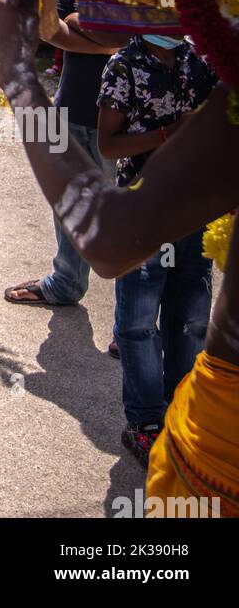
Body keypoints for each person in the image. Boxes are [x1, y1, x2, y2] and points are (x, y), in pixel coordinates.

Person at [0, 0, 239, 516]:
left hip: (218, 456)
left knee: (172, 313)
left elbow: (110, 240)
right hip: (216, 437)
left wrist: (19, 79)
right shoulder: (207, 79)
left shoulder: (210, 77)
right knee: (149, 321)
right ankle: (147, 415)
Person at [97, 31, 216, 467]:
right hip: (143, 213)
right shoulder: (124, 65)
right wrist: (168, 134)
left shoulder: (201, 59)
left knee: (190, 322)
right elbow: (108, 144)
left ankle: (179, 411)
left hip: (194, 213)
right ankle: (145, 423)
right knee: (139, 325)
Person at [3, 0, 119, 309]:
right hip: (70, 108)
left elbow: (139, 37)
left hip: (126, 116)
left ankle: (132, 322)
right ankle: (66, 282)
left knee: (124, 209)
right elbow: (51, 30)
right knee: (68, 204)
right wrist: (109, 43)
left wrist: (80, 24)